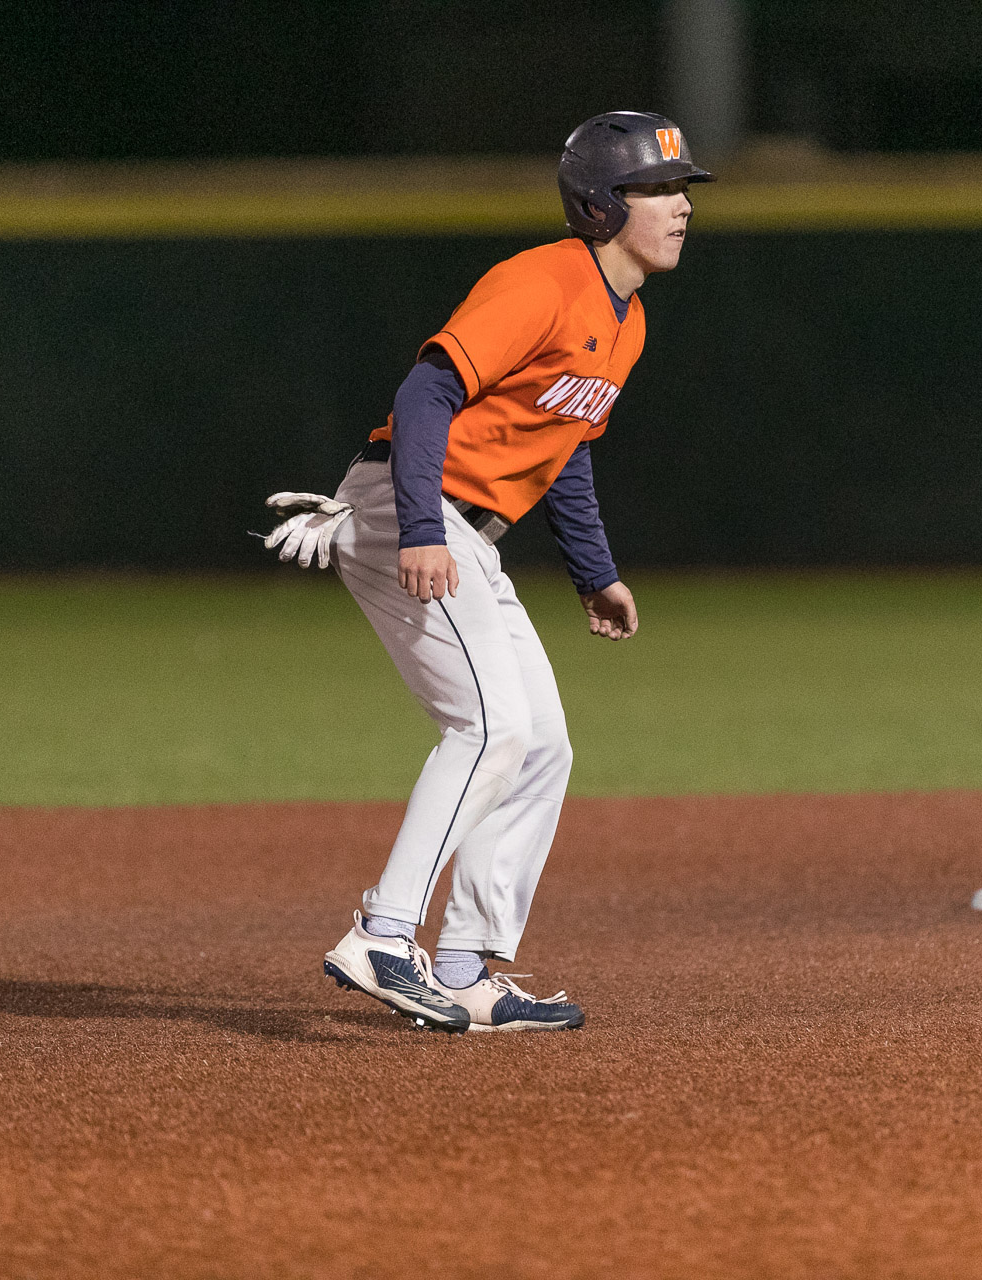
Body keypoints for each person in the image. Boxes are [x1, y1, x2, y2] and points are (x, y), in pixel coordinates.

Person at [261, 112, 713, 1032]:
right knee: (490, 725)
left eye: (681, 190)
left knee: (541, 743)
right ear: (600, 205)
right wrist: (421, 529)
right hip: (408, 509)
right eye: (657, 191)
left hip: (469, 530)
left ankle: (465, 965)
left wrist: (595, 573)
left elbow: (564, 450)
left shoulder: (624, 323)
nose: (678, 207)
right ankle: (385, 939)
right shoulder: (541, 280)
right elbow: (427, 391)